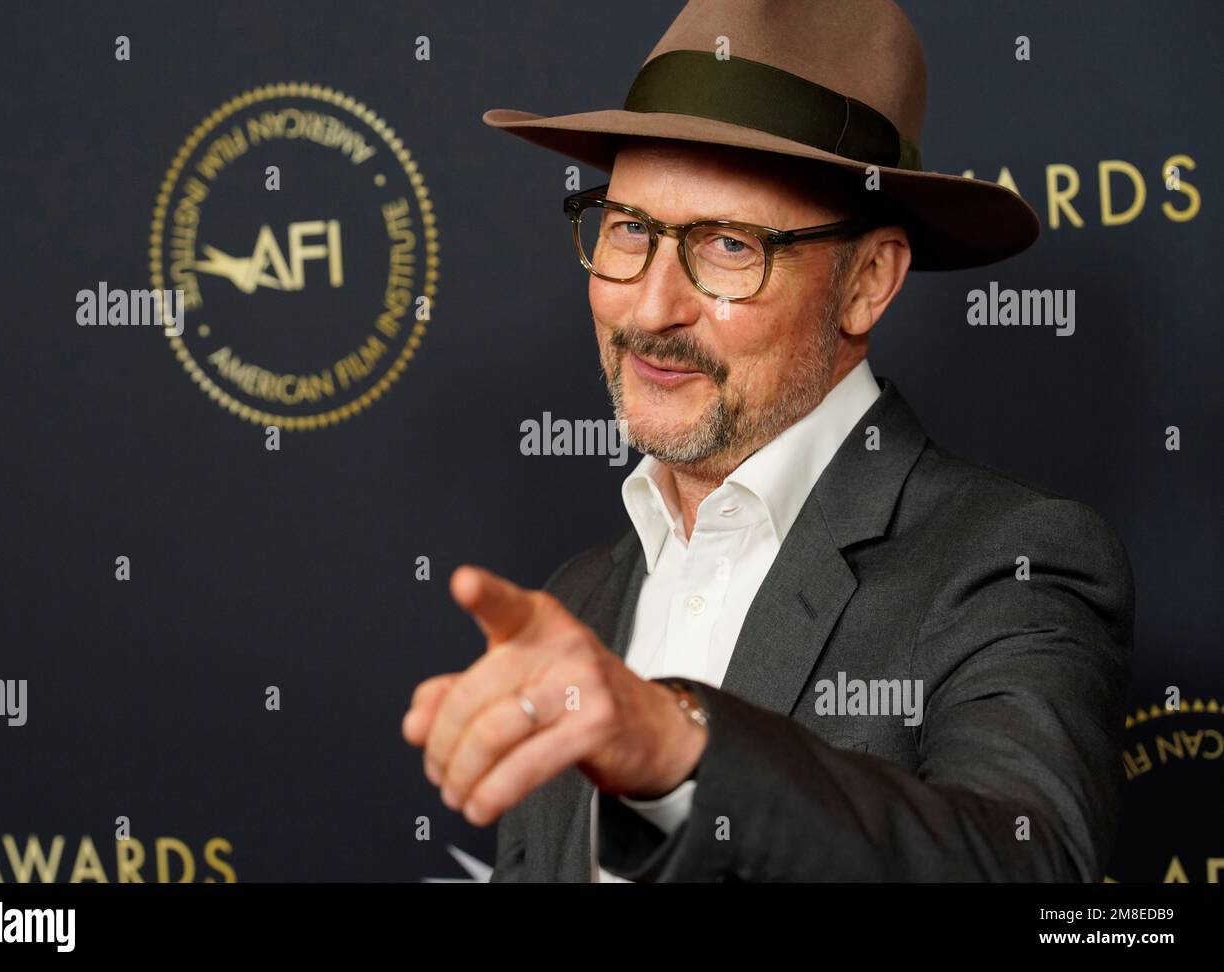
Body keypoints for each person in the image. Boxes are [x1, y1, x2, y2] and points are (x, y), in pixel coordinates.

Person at [402, 0, 1133, 882]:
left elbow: (1034, 869)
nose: (650, 306)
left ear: (867, 282)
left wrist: (680, 748)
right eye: (630, 229)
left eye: (726, 246)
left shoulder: (1012, 559)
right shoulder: (583, 596)